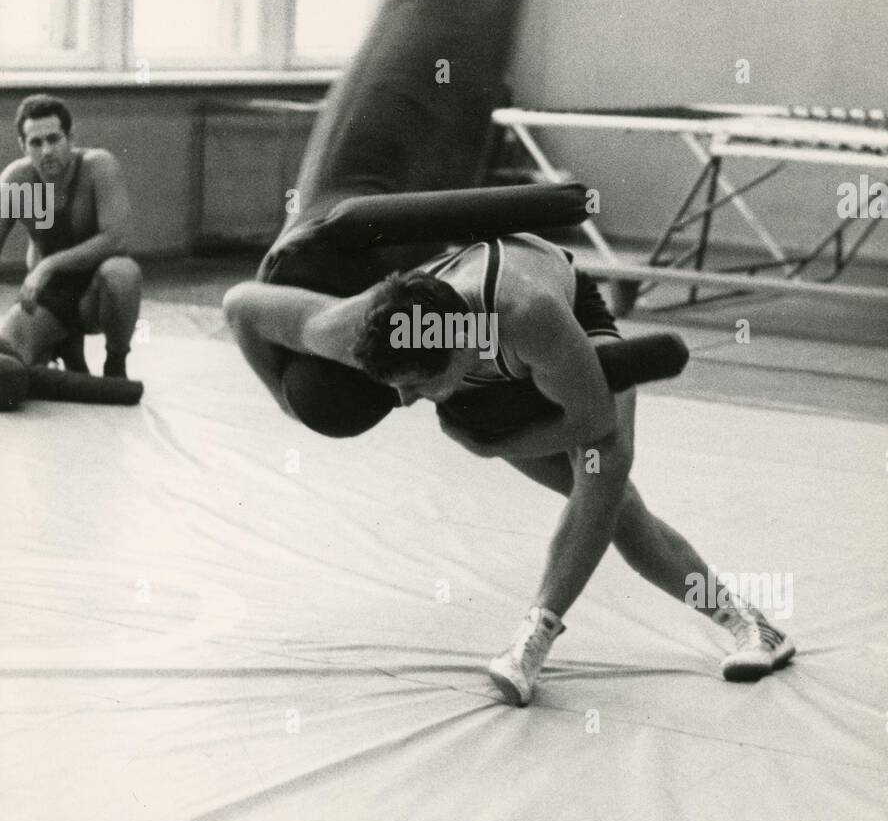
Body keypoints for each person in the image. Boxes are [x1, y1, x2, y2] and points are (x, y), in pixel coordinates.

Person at [224, 229, 795, 705]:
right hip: (477, 338)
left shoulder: (531, 316)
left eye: (421, 387)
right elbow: (240, 306)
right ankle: (752, 623)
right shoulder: (359, 327)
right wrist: (287, 402)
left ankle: (536, 634)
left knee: (603, 476)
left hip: (569, 319)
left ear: (459, 353)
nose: (412, 401)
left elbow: (592, 424)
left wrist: (492, 447)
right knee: (624, 517)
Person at [0, 95, 142, 378]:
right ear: (22, 146)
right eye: (36, 143)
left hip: (96, 295)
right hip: (49, 297)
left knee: (122, 273)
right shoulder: (18, 180)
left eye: (54, 139)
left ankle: (116, 360)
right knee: (7, 362)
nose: (47, 151)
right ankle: (61, 347)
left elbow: (117, 239)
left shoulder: (97, 166)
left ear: (71, 137)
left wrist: (47, 265)